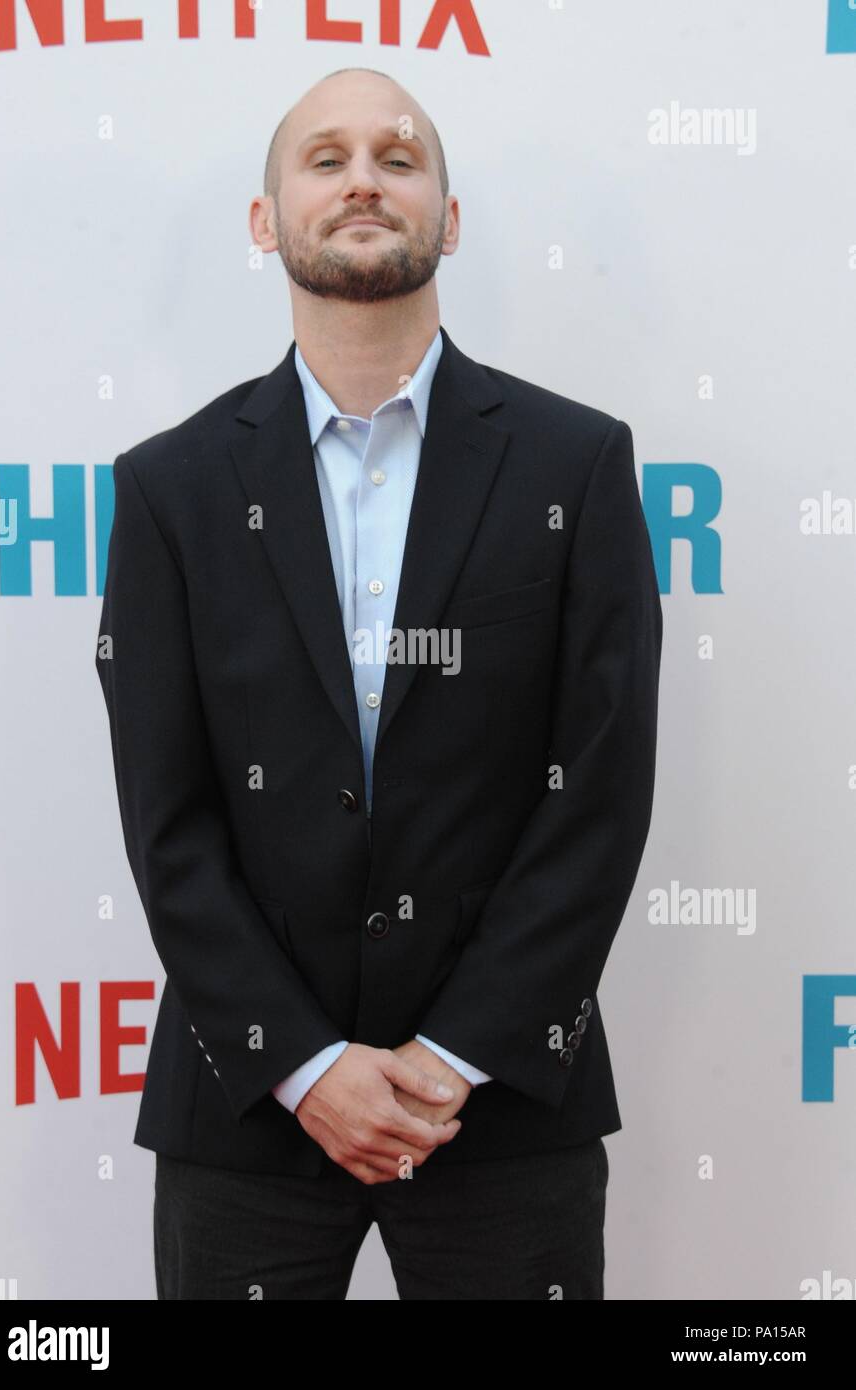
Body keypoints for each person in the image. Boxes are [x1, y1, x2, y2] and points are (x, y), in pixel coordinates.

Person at [94, 66, 663, 1300]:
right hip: (245, 1102)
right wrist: (303, 1063)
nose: (363, 177)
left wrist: (451, 1057)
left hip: (504, 1102)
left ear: (448, 219)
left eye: (399, 159)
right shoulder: (168, 489)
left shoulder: (577, 462)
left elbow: (600, 798)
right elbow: (169, 821)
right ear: (267, 220)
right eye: (325, 157)